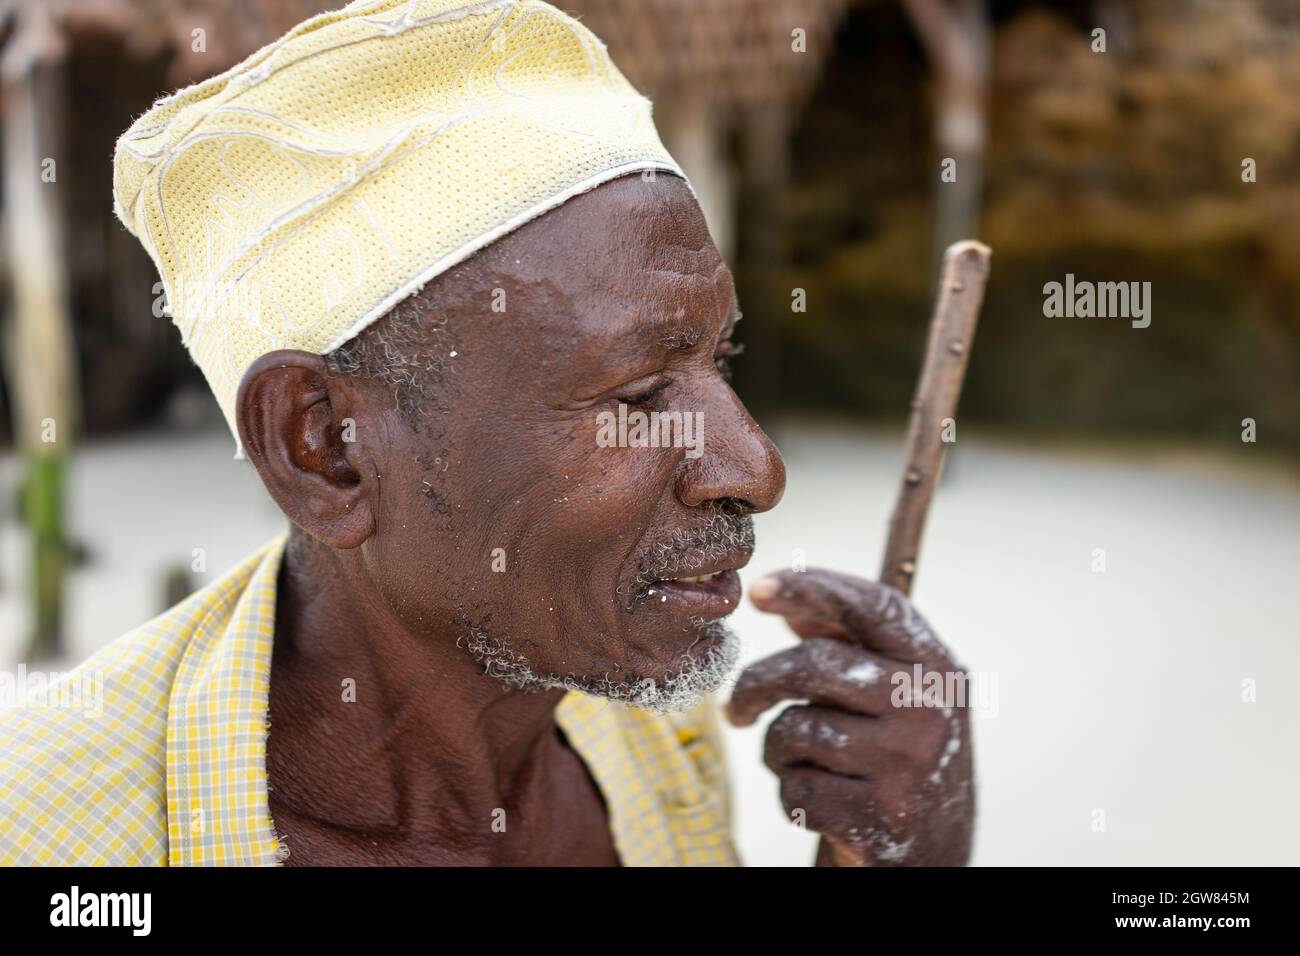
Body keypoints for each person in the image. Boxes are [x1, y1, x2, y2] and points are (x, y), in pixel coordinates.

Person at [0, 0, 973, 866]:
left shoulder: (651, 740)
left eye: (718, 362)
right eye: (638, 396)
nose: (755, 468)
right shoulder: (56, 840)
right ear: (325, 447)